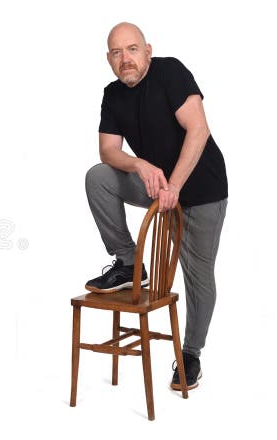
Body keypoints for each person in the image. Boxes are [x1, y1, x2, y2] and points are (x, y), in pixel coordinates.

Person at [84, 22, 227, 391]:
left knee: (199, 277)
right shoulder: (112, 94)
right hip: (157, 184)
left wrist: (175, 185)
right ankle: (130, 263)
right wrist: (139, 164)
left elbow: (199, 129)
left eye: (132, 49)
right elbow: (108, 150)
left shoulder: (170, 71)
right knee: (98, 176)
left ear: (147, 50)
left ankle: (190, 354)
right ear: (108, 59)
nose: (125, 59)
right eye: (116, 53)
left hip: (202, 188)